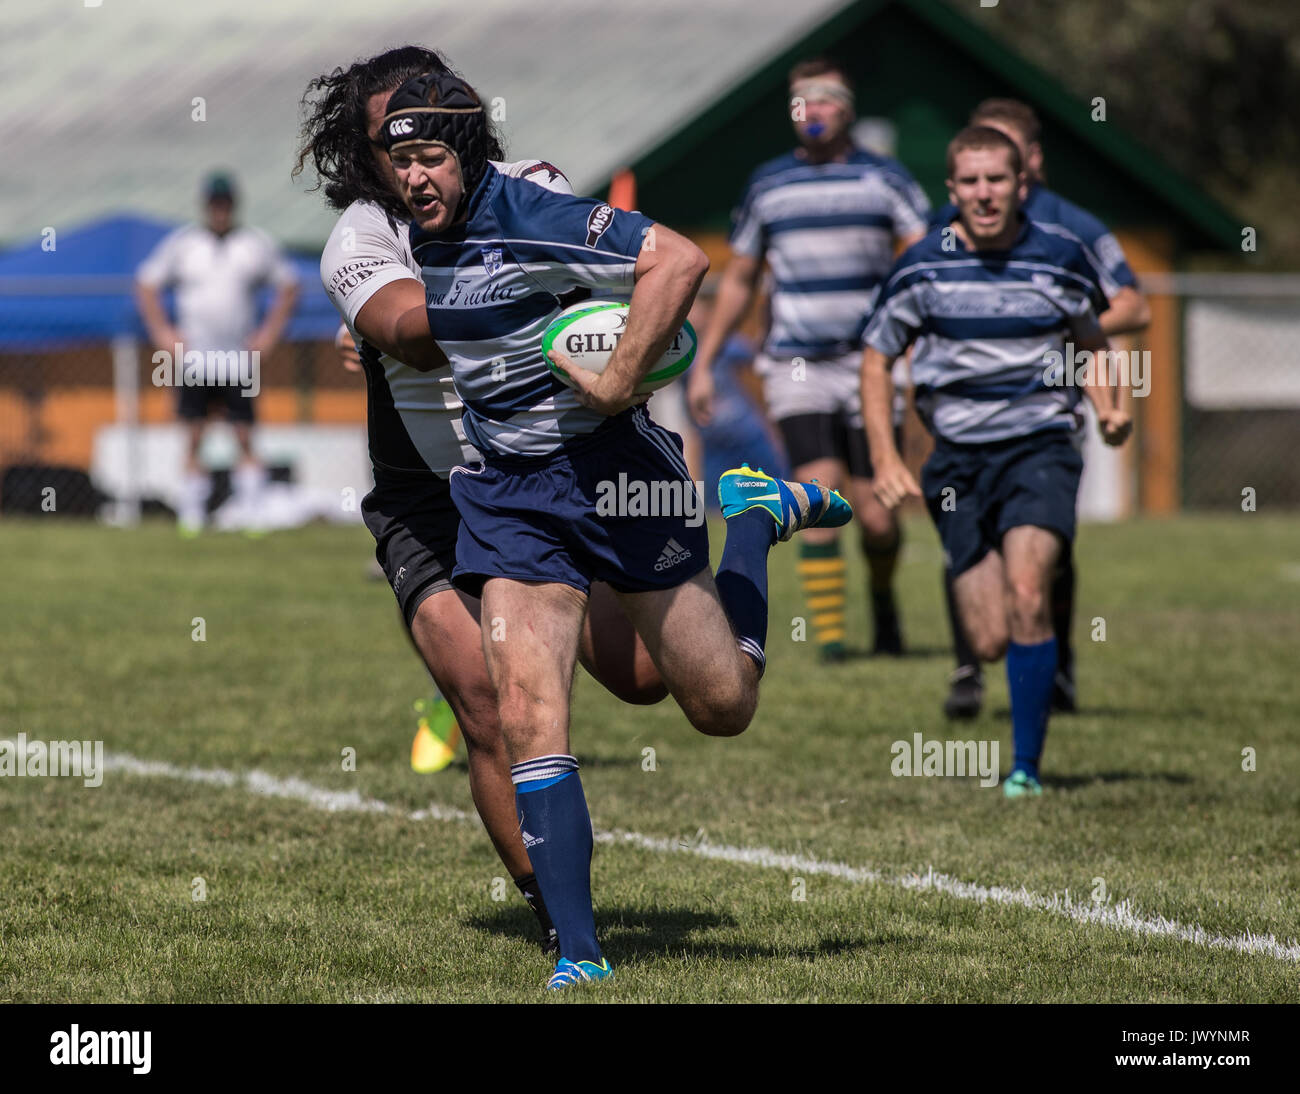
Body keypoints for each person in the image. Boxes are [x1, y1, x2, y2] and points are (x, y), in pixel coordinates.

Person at [377, 70, 851, 988]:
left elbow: (677, 261)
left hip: (618, 476)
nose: (415, 178)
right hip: (509, 494)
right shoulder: (420, 236)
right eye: (401, 162)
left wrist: (619, 376)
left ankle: (755, 516)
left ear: (468, 154)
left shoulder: (533, 211)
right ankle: (581, 956)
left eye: (431, 156)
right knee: (525, 714)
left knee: (721, 706)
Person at [298, 46, 666, 958]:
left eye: (431, 125)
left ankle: (753, 525)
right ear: (366, 147)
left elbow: (610, 279)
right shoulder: (360, 237)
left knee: (648, 680)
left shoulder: (532, 184)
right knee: (488, 706)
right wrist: (487, 295)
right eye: (391, 135)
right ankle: (562, 924)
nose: (411, 148)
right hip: (431, 503)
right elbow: (408, 336)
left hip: (549, 472)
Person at [860, 125, 1132, 798]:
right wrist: (886, 456)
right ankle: (1013, 684)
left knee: (1028, 592)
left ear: (1021, 184)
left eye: (997, 180)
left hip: (1040, 447)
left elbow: (1093, 341)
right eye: (971, 181)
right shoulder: (921, 264)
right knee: (986, 638)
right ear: (952, 189)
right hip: (956, 463)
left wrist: (1109, 406)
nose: (985, 193)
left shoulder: (1062, 257)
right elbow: (875, 361)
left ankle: (1026, 768)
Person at [687, 57, 929, 662]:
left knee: (877, 517)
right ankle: (832, 644)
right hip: (796, 367)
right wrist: (705, 360)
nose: (811, 111)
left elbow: (926, 260)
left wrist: (924, 343)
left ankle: (883, 604)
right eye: (800, 101)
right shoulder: (769, 184)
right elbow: (740, 277)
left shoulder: (886, 179)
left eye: (822, 99)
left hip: (871, 364)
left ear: (846, 106)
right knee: (820, 495)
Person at [930, 99, 1151, 719]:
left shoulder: (1069, 226)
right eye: (975, 164)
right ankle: (968, 665)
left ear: (1031, 159)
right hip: (964, 411)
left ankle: (1060, 671)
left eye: (1004, 157)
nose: (988, 181)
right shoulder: (948, 225)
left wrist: (1046, 325)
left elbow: (1134, 307)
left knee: (1047, 553)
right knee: (965, 534)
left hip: (1047, 411)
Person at [135, 172, 299, 535]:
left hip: (238, 359)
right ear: (206, 205)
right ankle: (192, 516)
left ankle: (253, 514)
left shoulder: (254, 244)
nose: (220, 210)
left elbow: (288, 284)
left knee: (244, 434)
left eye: (225, 203)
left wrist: (269, 334)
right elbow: (147, 283)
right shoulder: (184, 244)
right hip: (195, 358)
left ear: (233, 205)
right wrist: (164, 332)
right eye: (214, 203)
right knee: (194, 433)